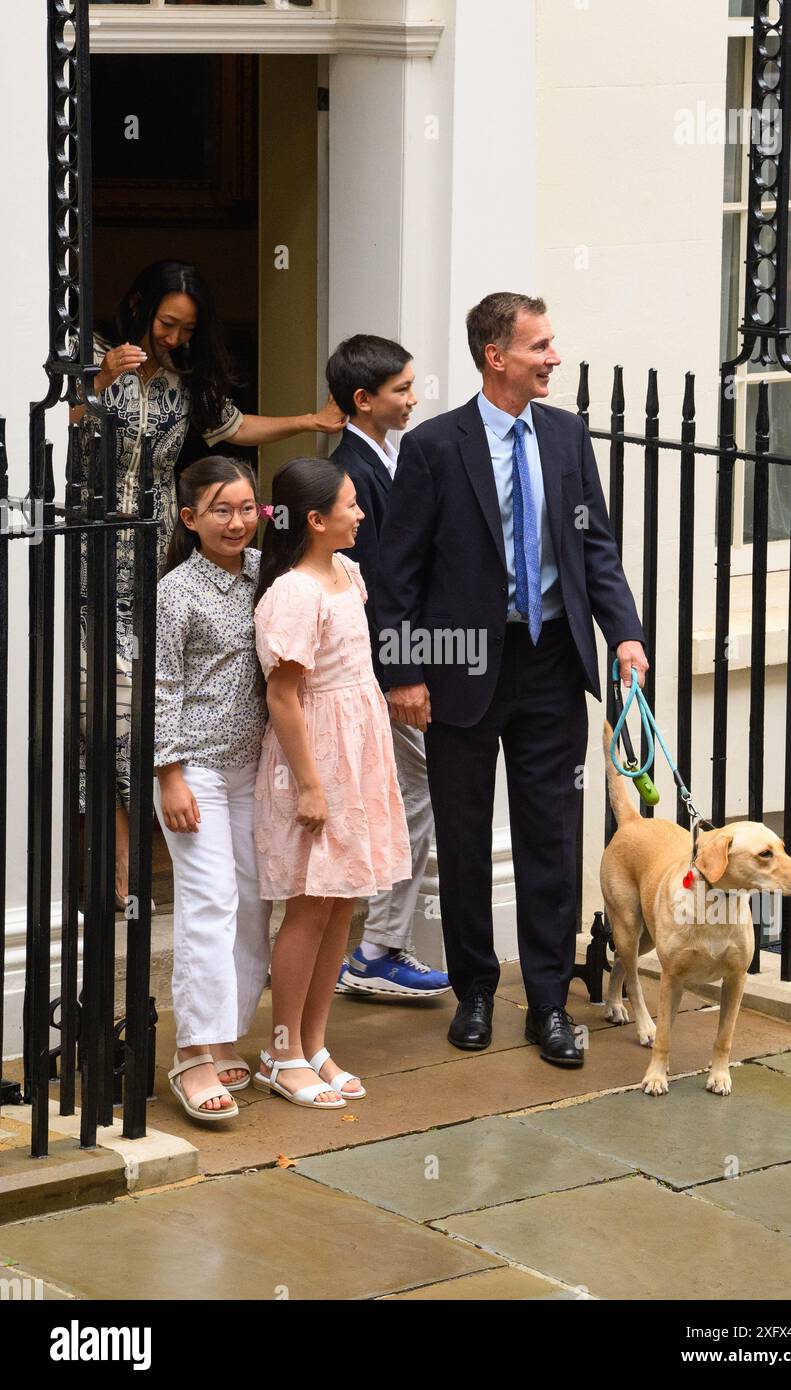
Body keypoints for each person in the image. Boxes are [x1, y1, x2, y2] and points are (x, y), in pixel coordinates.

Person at [376, 292, 649, 1066]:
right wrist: (403, 671)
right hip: (461, 662)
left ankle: (550, 1005)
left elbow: (594, 544)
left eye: (552, 345)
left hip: (553, 660)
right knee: (463, 837)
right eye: (540, 347)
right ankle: (473, 993)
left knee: (551, 836)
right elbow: (398, 574)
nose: (553, 358)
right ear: (497, 357)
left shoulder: (564, 434)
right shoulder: (434, 446)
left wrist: (623, 633)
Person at [71, 260, 346, 907]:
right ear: (139, 307)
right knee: (101, 705)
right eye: (168, 324)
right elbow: (59, 429)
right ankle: (114, 861)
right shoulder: (88, 356)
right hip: (93, 553)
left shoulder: (183, 382)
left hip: (159, 547)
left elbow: (235, 428)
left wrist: (311, 421)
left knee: (147, 697)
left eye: (186, 329)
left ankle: (140, 852)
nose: (174, 338)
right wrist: (101, 380)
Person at [252, 458, 411, 1109]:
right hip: (314, 756)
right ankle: (282, 1050)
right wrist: (311, 787)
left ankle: (314, 1043)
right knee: (309, 902)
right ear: (315, 521)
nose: (361, 513)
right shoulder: (293, 593)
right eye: (350, 505)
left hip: (359, 748)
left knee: (343, 898)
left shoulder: (349, 573)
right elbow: (284, 697)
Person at [326, 334, 449, 998]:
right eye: (401, 390)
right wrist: (403, 673)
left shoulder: (391, 454)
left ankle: (380, 944)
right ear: (362, 400)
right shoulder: (352, 471)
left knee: (413, 797)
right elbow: (380, 585)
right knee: (416, 797)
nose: (414, 398)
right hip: (380, 670)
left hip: (396, 664)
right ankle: (377, 950)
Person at [153, 455, 272, 1122]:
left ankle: (226, 1032)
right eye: (221, 510)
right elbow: (161, 687)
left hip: (252, 768)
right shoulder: (175, 592)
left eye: (247, 507)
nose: (237, 521)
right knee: (210, 903)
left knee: (255, 899)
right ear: (190, 518)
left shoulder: (264, 575)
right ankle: (192, 1054)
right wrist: (168, 774)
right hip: (193, 769)